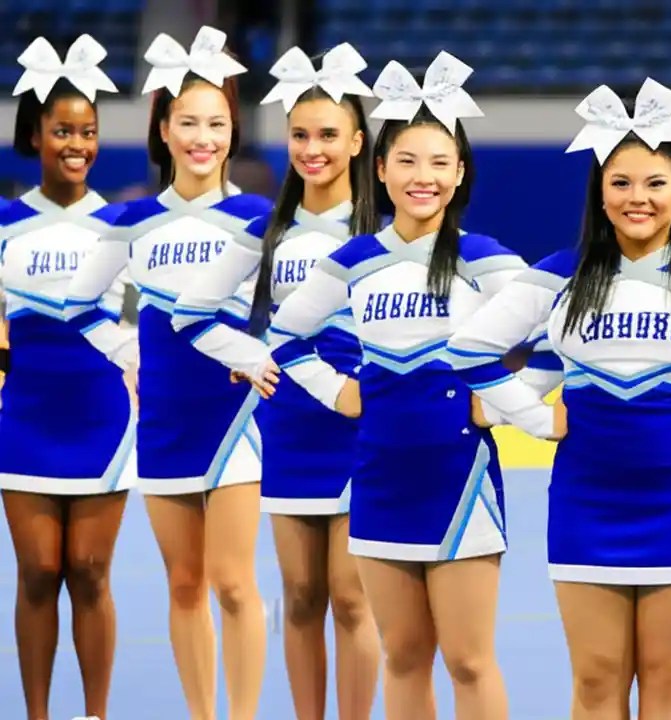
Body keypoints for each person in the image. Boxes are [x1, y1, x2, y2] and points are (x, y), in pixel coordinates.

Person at [448, 78, 671, 720]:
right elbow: (470, 351)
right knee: (595, 681)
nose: (636, 198)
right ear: (600, 191)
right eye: (620, 182)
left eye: (653, 182)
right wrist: (537, 419)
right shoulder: (562, 273)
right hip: (586, 501)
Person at [244, 52, 517, 720]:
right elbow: (285, 337)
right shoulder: (354, 260)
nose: (422, 177)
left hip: (461, 482)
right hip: (378, 478)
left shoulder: (485, 260)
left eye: (438, 163)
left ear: (459, 173)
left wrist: (505, 401)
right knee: (401, 656)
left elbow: (568, 330)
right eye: (408, 162)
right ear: (383, 168)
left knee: (469, 659)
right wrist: (337, 391)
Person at [64, 26, 272, 720]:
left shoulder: (258, 217)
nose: (202, 136)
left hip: (233, 417)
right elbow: (78, 305)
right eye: (188, 121)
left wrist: (261, 353)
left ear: (232, 131)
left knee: (235, 582)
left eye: (216, 122)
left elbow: (302, 306)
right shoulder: (132, 221)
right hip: (162, 423)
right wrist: (130, 355)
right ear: (163, 127)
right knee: (184, 584)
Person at [170, 43, 382, 720]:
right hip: (289, 427)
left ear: (356, 141)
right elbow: (190, 311)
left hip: (363, 422)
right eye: (299, 135)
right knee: (300, 597)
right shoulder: (269, 228)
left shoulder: (384, 227)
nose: (312, 149)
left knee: (353, 597)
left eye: (327, 135)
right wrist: (251, 353)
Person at [0, 34, 136, 720]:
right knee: (37, 573)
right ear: (35, 135)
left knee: (88, 571)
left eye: (87, 131)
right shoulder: (4, 226)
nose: (76, 144)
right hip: (24, 417)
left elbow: (154, 321)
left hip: (99, 416)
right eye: (62, 131)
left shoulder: (119, 225)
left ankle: (95, 714)